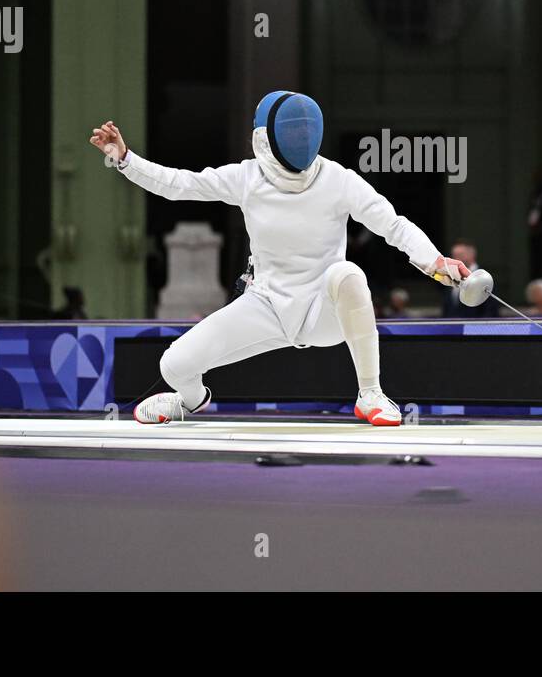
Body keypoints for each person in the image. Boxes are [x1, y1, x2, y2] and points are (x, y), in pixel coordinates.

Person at [91, 92, 470, 427]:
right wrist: (125, 159)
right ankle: (190, 400)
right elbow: (179, 185)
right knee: (172, 365)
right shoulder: (246, 178)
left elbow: (395, 226)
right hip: (266, 305)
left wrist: (436, 262)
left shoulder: (339, 180)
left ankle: (370, 392)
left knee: (347, 273)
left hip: (324, 311)